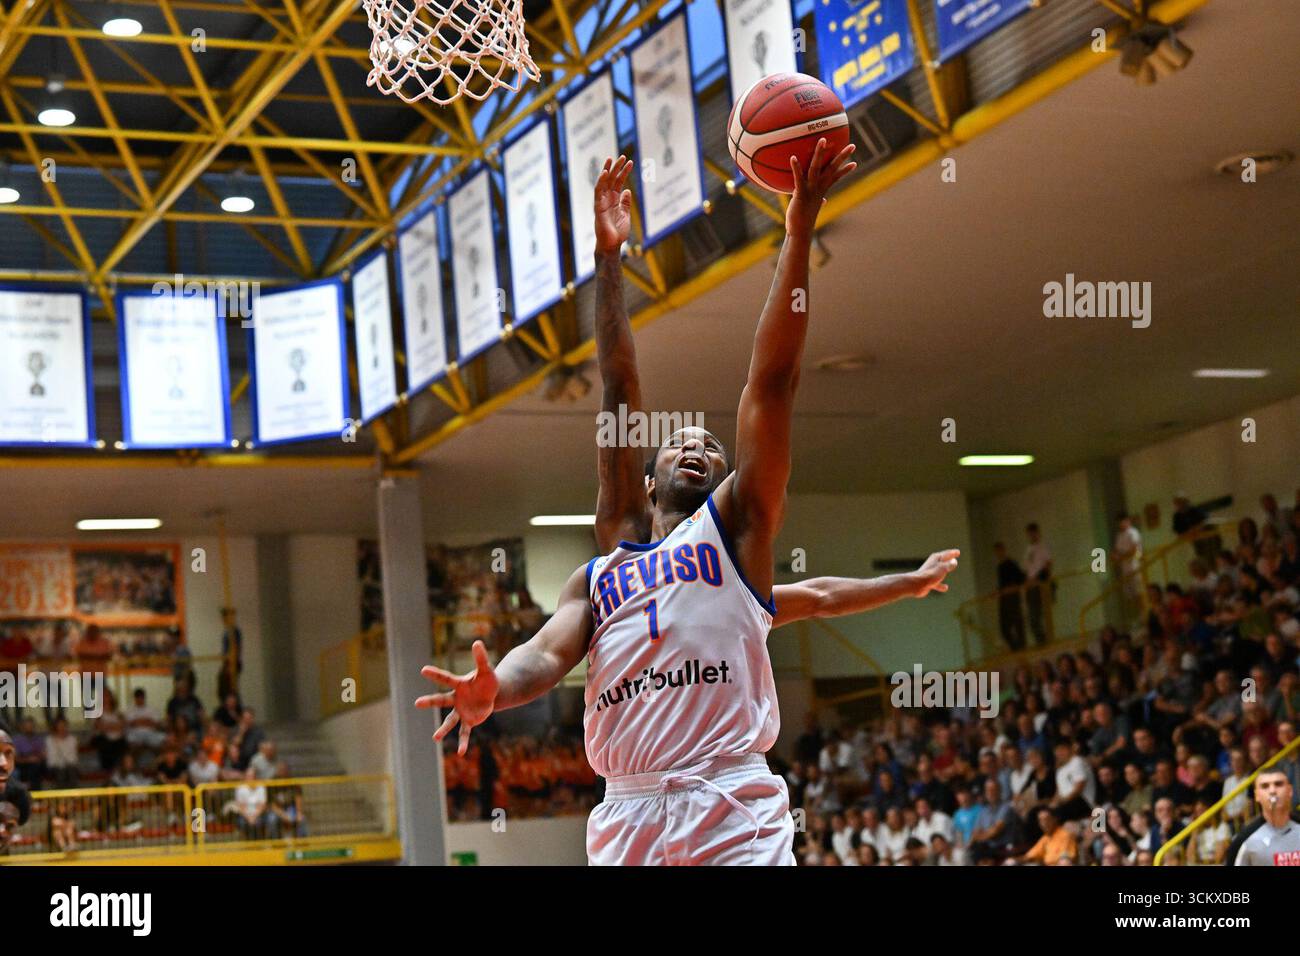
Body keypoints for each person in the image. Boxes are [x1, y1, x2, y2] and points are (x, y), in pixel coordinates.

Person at [418, 142, 857, 866]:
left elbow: (772, 381)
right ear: (646, 480)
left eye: (712, 448)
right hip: (626, 816)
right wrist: (608, 258)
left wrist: (800, 227)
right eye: (679, 443)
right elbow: (546, 654)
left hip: (726, 802)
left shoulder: (738, 530)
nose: (698, 450)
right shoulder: (604, 567)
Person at [1233, 769, 1300, 865]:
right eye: (1265, 786)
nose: (1272, 791)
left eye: (1278, 784)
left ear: (1290, 791)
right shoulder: (1244, 840)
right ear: (1257, 795)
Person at [1023, 523, 1053, 645]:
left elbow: (1048, 564)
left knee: (1037, 614)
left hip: (1039, 584)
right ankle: (1041, 640)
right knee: (1032, 616)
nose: (1031, 536)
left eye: (1033, 533)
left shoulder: (1043, 547)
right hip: (1031, 585)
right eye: (1029, 534)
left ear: (1037, 533)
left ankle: (1044, 640)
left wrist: (1037, 579)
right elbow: (1028, 568)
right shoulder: (1029, 549)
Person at [994, 543, 1027, 650]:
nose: (999, 553)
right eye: (997, 551)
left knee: (1016, 621)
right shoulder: (1000, 566)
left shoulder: (1011, 563)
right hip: (1004, 597)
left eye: (1000, 550)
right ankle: (1015, 647)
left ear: (1003, 550)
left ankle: (1021, 646)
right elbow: (1002, 583)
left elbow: (1021, 578)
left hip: (1012, 596)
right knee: (1004, 625)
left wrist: (1013, 587)